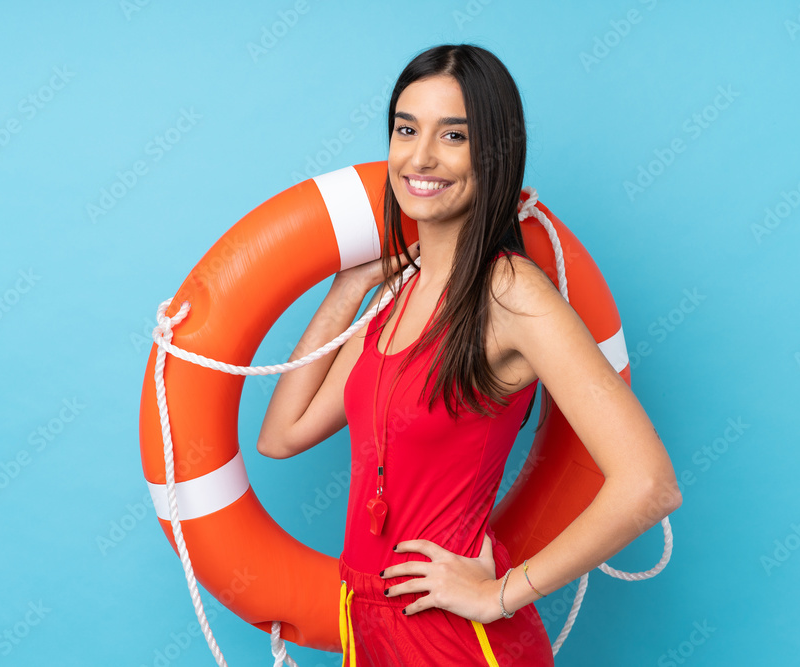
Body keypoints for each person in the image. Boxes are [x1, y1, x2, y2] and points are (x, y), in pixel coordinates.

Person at [257, 43, 681, 666]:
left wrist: (503, 595)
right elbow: (282, 434)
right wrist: (350, 286)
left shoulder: (511, 293)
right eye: (406, 129)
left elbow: (650, 485)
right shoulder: (397, 296)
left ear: (494, 154)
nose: (420, 157)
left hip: (453, 638)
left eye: (453, 135)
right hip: (365, 625)